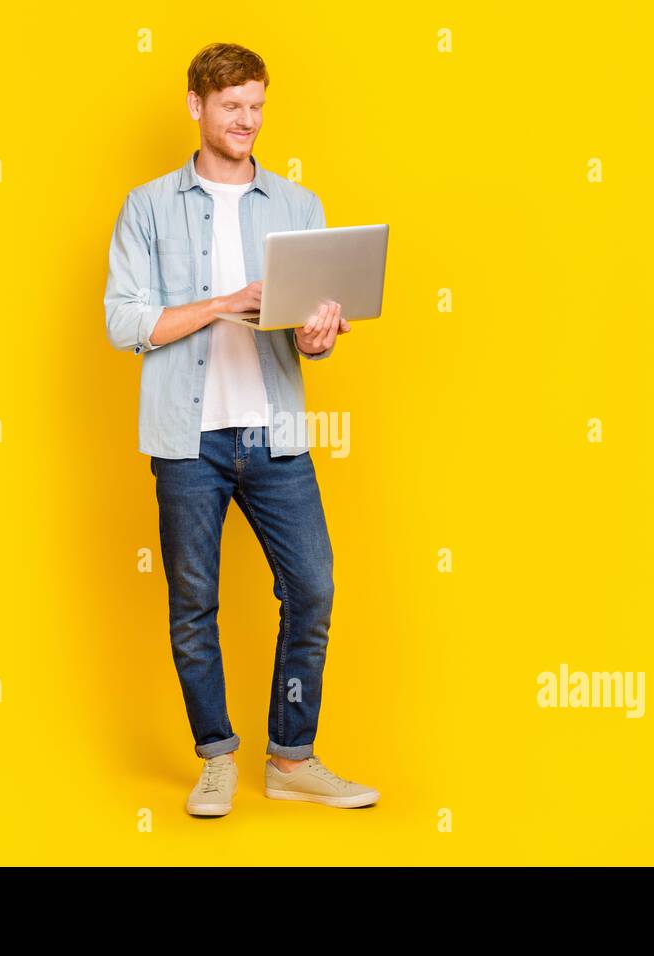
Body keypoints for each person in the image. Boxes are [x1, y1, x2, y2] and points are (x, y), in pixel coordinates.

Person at [103, 41, 379, 816]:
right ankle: (216, 757)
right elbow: (124, 322)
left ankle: (292, 758)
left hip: (274, 435)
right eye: (232, 108)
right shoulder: (147, 207)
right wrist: (226, 301)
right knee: (194, 604)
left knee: (312, 587)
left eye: (257, 107)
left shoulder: (299, 206)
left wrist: (317, 333)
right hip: (188, 443)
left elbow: (305, 334)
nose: (247, 122)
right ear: (196, 107)